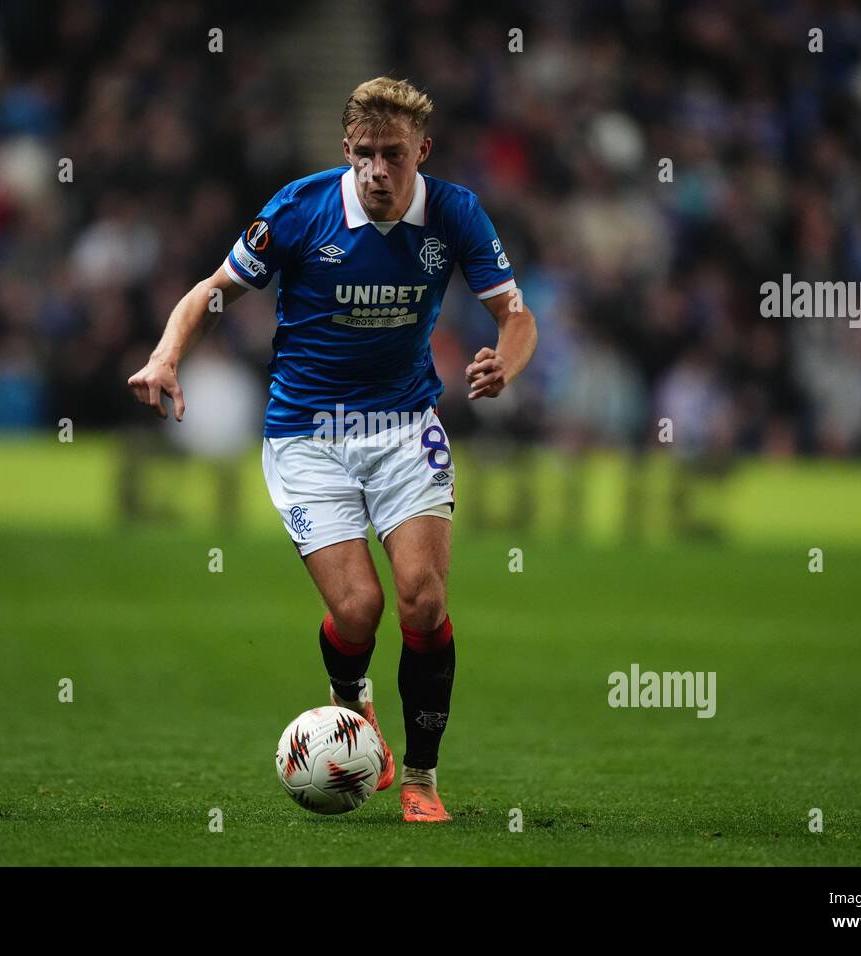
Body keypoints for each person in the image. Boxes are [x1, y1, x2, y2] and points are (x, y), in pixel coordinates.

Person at [128, 77, 538, 821]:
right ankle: (352, 701)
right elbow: (212, 291)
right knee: (359, 612)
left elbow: (515, 314)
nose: (379, 171)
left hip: (404, 426)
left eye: (396, 155)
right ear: (346, 150)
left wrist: (507, 359)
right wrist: (165, 355)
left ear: (423, 151)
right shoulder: (299, 209)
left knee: (423, 600)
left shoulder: (455, 213)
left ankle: (420, 780)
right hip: (306, 437)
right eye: (367, 155)